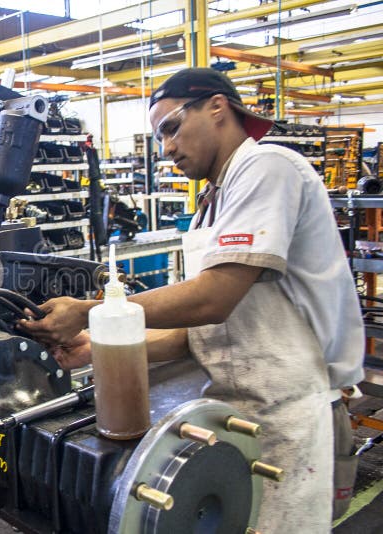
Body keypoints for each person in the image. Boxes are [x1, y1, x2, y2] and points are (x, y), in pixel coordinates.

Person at [19, 68, 364, 532]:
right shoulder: (211, 202)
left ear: (217, 108)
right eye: (160, 136)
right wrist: (99, 347)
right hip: (232, 410)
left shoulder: (268, 167)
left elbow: (213, 300)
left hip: (287, 411)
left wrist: (89, 312)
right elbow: (206, 332)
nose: (166, 148)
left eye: (172, 127)